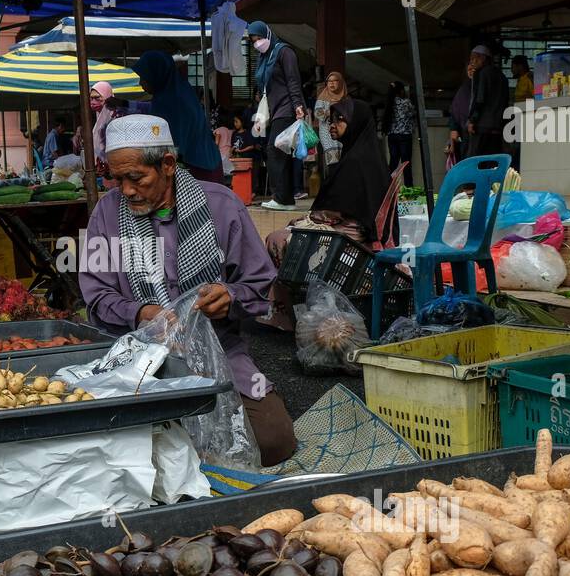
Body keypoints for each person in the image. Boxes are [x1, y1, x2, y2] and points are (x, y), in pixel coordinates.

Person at [78, 114, 297, 466]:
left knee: (274, 440)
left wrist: (230, 297)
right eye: (117, 179)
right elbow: (97, 298)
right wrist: (142, 314)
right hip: (139, 358)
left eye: (135, 177)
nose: (127, 190)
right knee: (117, 451)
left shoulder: (221, 205)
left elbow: (261, 284)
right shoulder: (106, 214)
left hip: (221, 351)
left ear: (167, 164)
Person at [263, 98, 394, 326]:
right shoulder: (368, 156)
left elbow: (333, 211)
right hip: (354, 236)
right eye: (332, 120)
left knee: (276, 238)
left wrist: (306, 219)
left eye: (339, 120)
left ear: (355, 123)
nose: (333, 125)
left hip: (344, 240)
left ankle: (284, 314)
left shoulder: (354, 162)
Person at [132, 50, 223, 184]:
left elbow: (174, 142)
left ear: (157, 75)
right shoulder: (178, 91)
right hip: (205, 162)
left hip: (196, 169)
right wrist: (124, 103)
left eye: (144, 78)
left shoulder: (170, 101)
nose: (140, 83)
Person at [247, 21, 306, 210]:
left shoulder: (284, 52)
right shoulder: (264, 57)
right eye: (253, 40)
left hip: (287, 108)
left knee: (274, 151)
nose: (257, 43)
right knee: (281, 153)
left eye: (260, 38)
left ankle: (281, 198)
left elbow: (293, 80)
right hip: (274, 109)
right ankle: (286, 199)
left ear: (268, 35)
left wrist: (298, 105)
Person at [466, 44, 512, 167]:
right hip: (497, 126)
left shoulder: (482, 74)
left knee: (476, 161)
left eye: (474, 58)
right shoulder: (502, 76)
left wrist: (472, 120)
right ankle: (491, 185)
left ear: (483, 59)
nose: (472, 62)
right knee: (493, 161)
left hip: (482, 125)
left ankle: (473, 186)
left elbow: (479, 99)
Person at [382, 80, 416, 187]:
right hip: (404, 136)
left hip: (392, 136)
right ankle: (409, 189)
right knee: (406, 164)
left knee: (393, 163)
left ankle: (387, 187)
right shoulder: (405, 103)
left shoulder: (389, 104)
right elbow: (413, 114)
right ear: (401, 91)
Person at [447, 61, 476, 166]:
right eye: (469, 70)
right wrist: (453, 129)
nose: (471, 72)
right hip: (464, 135)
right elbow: (455, 109)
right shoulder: (464, 88)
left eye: (474, 70)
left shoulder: (482, 87)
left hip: (478, 133)